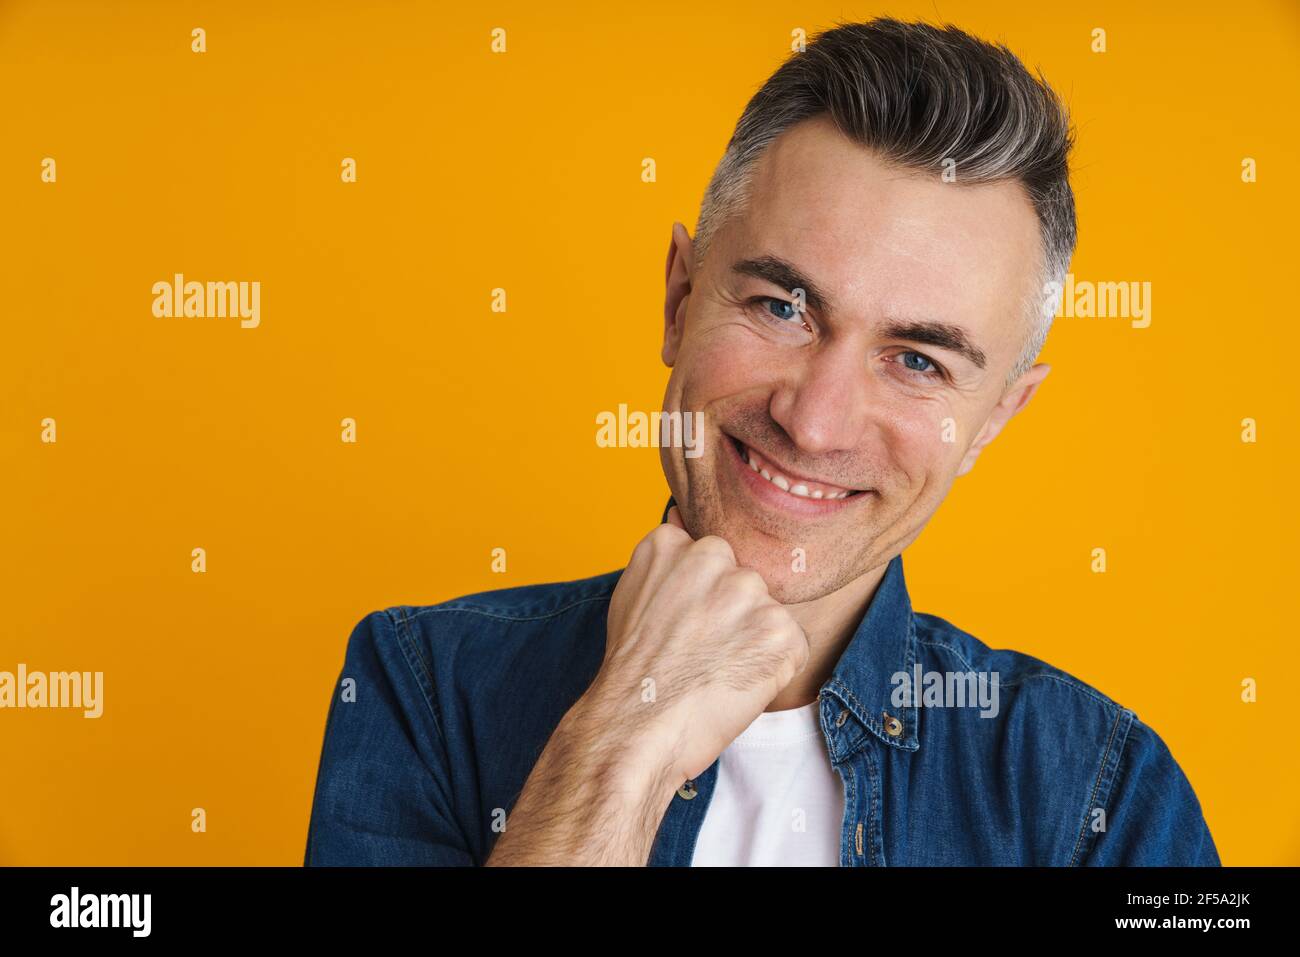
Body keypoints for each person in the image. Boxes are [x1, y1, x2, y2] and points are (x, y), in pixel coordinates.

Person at [304, 17, 1219, 866]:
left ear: (993, 421)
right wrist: (622, 739)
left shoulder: (1104, 794)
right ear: (679, 300)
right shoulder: (422, 686)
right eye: (782, 307)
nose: (812, 421)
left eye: (918, 361)